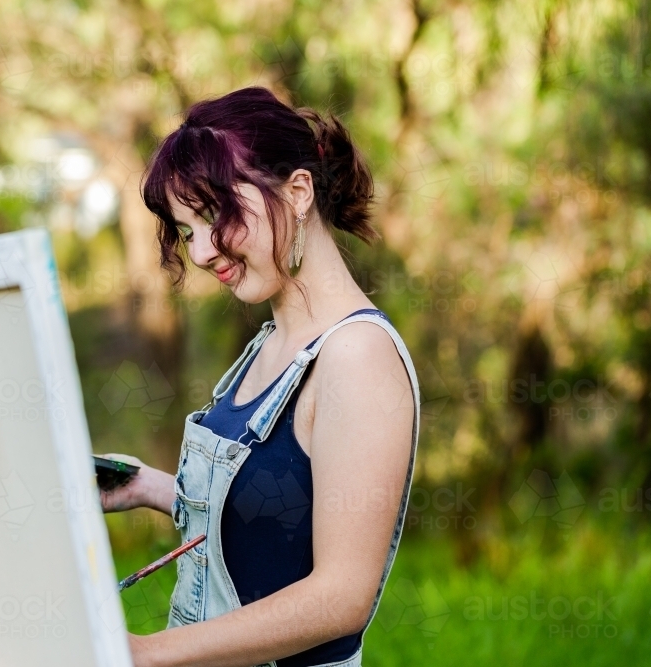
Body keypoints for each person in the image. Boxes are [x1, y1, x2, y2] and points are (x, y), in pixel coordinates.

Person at [100, 86, 420, 667]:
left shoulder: (356, 358)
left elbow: (341, 597)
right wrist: (148, 486)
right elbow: (276, 527)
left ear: (298, 191)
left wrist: (144, 654)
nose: (199, 252)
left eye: (211, 215)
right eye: (186, 229)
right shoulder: (268, 346)